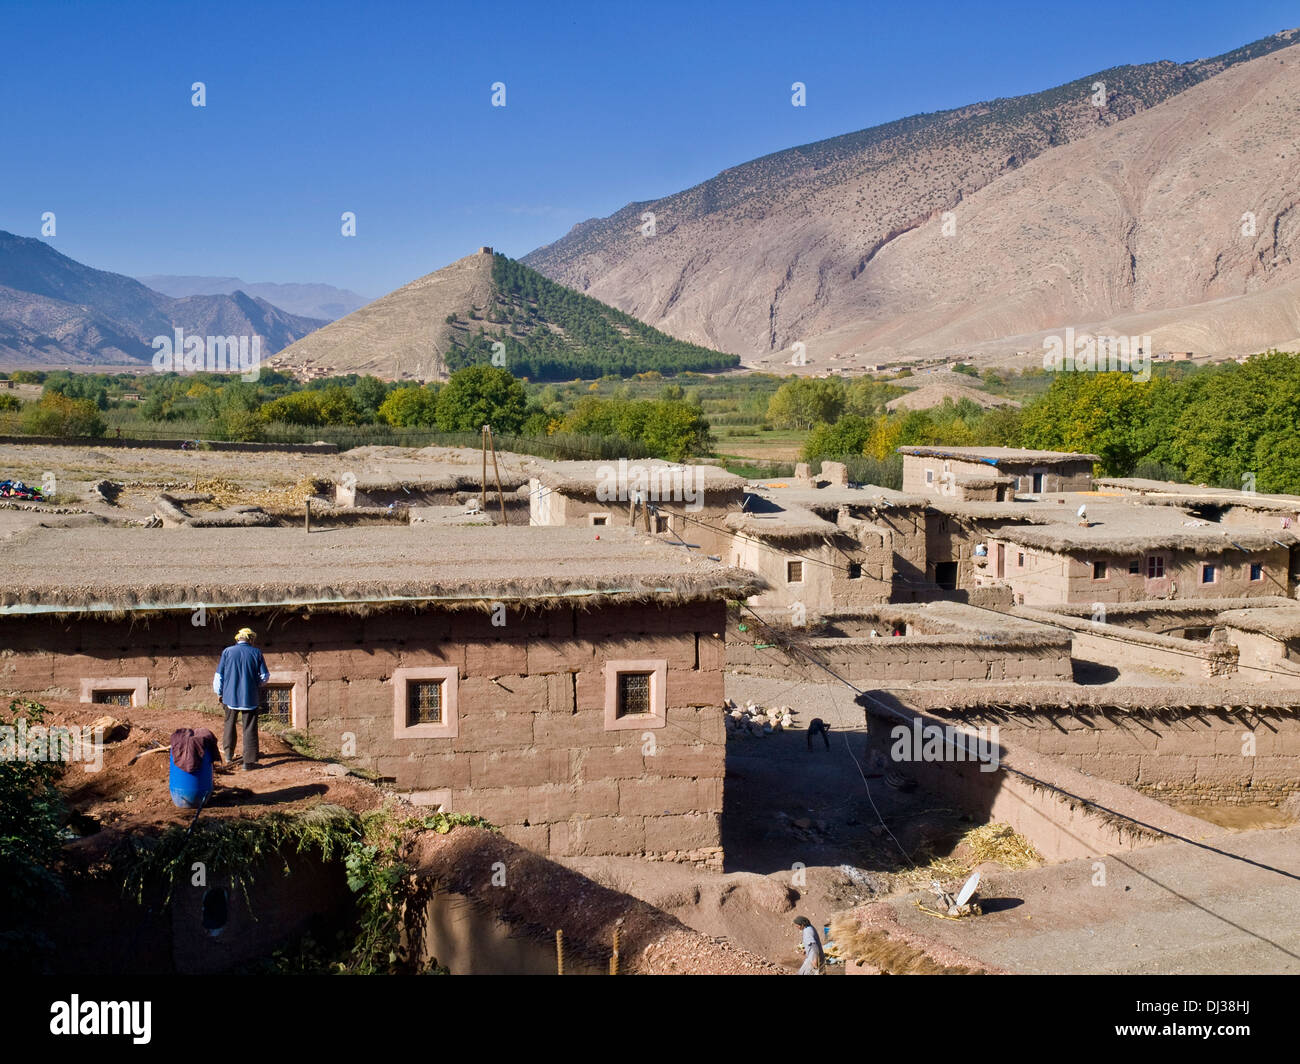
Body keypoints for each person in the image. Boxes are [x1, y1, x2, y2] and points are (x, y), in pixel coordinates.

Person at [214, 627, 269, 770]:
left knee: (229, 724)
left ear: (238, 639)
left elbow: (219, 676)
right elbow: (264, 676)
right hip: (250, 697)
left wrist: (219, 692)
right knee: (249, 728)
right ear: (250, 639)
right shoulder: (256, 653)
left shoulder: (227, 652)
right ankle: (248, 762)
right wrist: (255, 684)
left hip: (229, 696)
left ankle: (228, 754)